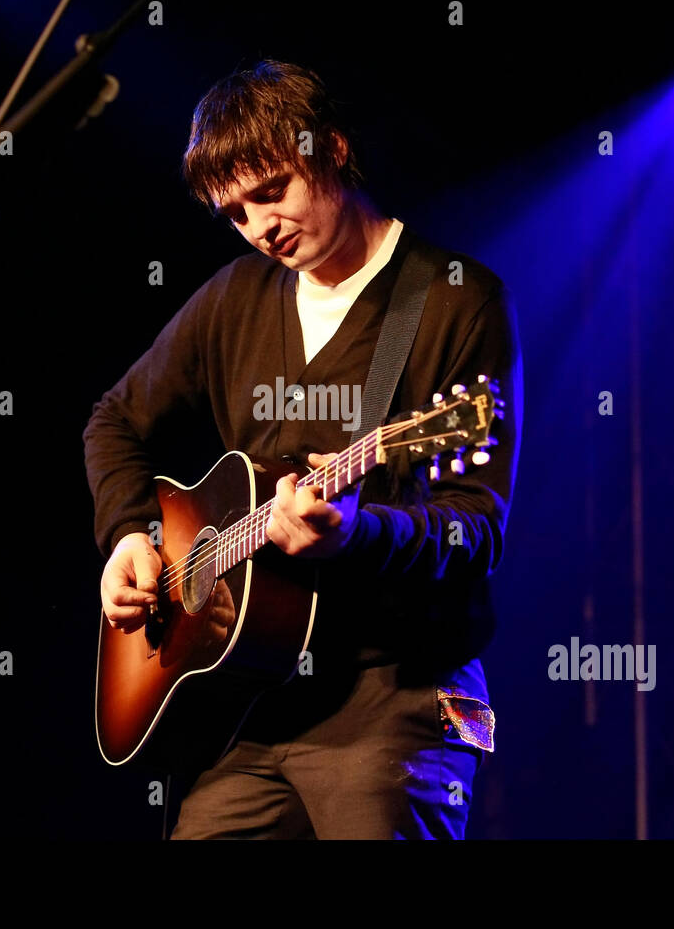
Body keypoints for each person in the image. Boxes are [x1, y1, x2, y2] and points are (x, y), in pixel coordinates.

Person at [83, 60, 522, 838]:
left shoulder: (456, 298)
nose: (259, 227)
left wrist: (357, 533)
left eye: (271, 192)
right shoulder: (232, 298)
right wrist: (125, 536)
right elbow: (113, 419)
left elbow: (476, 528)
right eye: (235, 213)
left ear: (333, 151)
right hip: (248, 701)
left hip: (393, 698)